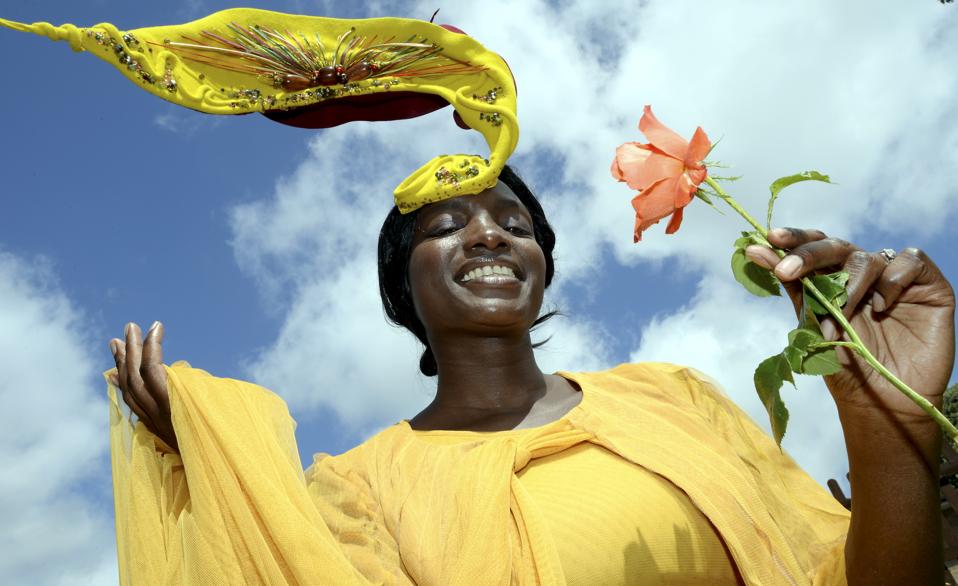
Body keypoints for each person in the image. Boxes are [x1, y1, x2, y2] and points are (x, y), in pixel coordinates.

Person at [109, 165, 955, 584]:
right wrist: (219, 463)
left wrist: (890, 431)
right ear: (402, 284)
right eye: (448, 224)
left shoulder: (674, 396)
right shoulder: (357, 488)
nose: (490, 234)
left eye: (515, 224)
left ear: (541, 265)